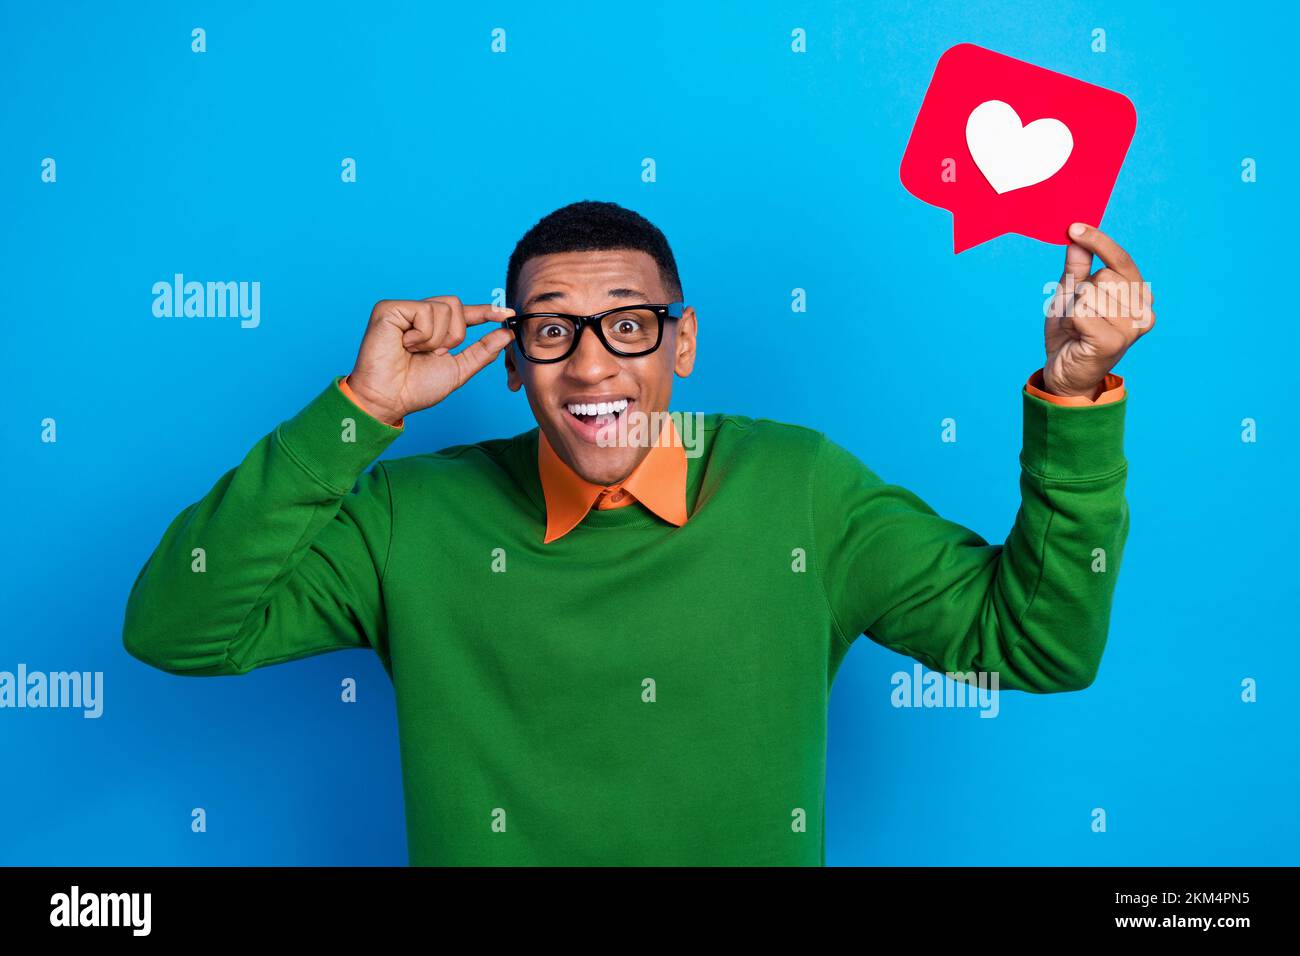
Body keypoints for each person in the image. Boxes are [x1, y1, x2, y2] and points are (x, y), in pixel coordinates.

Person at [122, 200, 1155, 866]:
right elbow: (179, 625)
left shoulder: (799, 488)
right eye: (549, 330)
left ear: (682, 340)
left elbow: (1037, 645)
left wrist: (1075, 397)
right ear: (514, 359)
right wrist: (357, 409)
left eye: (627, 324)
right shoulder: (412, 514)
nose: (591, 365)